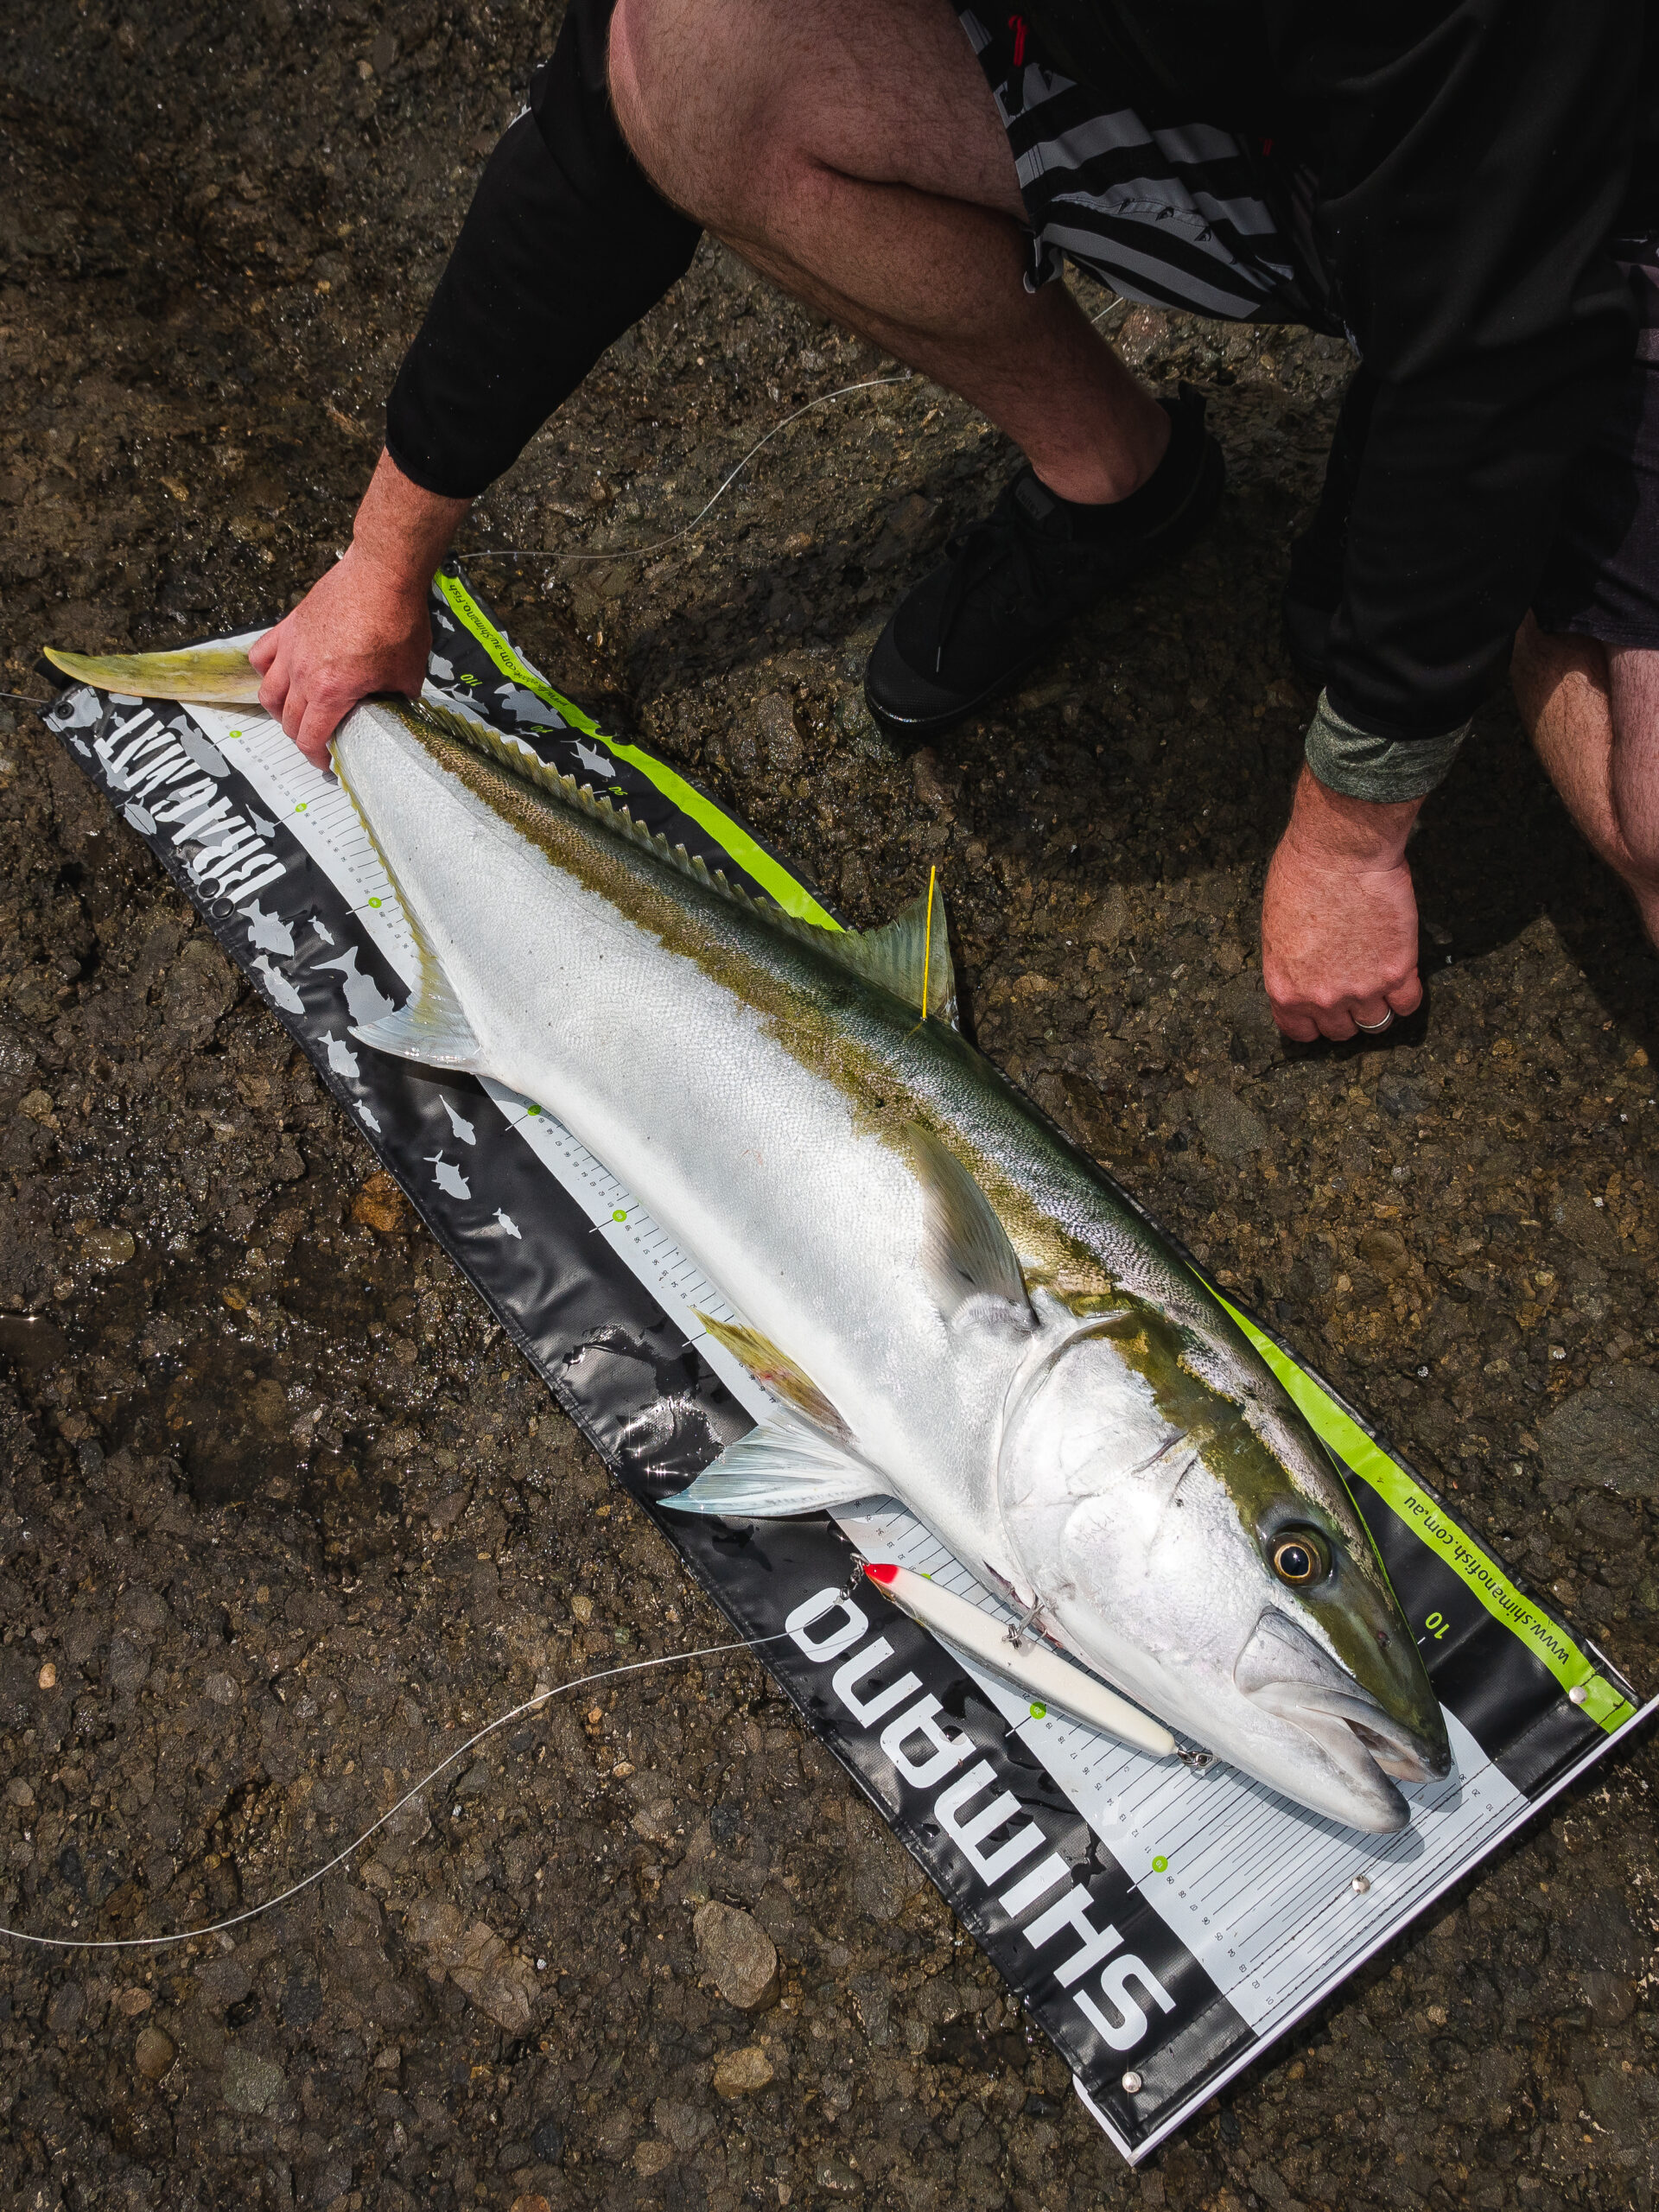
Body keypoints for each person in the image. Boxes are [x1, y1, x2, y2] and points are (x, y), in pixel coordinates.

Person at [251, 0, 1659, 1043]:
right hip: (1312, 138)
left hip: (1594, 184)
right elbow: (596, 117)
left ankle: (1479, 495)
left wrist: (1353, 828)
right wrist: (386, 557)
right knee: (689, 53)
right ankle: (1125, 474)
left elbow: (1495, 352)